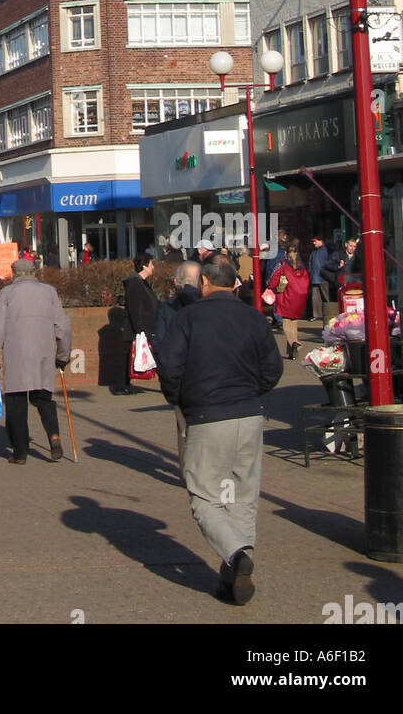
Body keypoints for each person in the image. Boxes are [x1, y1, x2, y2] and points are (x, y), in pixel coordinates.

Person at [155, 255, 283, 605]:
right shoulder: (255, 318)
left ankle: (237, 553)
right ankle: (232, 575)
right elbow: (273, 368)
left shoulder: (188, 317)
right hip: (249, 415)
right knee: (244, 496)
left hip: (207, 416)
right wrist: (253, 391)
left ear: (205, 284)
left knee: (205, 497)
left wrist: (180, 398)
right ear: (235, 284)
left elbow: (168, 364)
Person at [0, 257, 71, 464]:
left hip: (17, 354)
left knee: (16, 403)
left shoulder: (7, 293)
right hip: (43, 353)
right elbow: (63, 327)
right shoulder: (49, 292)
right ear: (34, 272)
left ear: (14, 274)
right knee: (43, 399)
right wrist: (62, 356)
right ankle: (54, 435)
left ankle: (20, 452)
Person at [152, 261, 202, 474]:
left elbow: (160, 344)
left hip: (179, 376)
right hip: (206, 373)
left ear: (175, 282)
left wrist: (166, 375)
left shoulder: (167, 309)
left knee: (184, 428)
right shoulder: (207, 306)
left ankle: (187, 470)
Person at [119, 252, 158, 395]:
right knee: (128, 356)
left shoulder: (142, 283)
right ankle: (122, 385)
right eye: (151, 264)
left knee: (130, 355)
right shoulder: (135, 283)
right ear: (145, 266)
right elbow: (135, 307)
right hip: (137, 327)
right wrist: (139, 329)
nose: (153, 267)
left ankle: (124, 384)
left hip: (143, 326)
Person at [266, 242, 309, 359]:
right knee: (294, 323)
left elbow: (274, 279)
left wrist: (270, 287)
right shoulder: (302, 267)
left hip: (285, 296)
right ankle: (291, 351)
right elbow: (306, 281)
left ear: (286, 253)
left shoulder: (283, 265)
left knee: (286, 323)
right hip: (299, 298)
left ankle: (293, 343)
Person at [308, 235, 331, 321]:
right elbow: (310, 264)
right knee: (316, 297)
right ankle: (317, 314)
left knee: (325, 296)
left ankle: (329, 312)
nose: (314, 243)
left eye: (315, 241)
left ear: (321, 241)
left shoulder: (325, 250)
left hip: (322, 277)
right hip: (316, 277)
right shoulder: (314, 252)